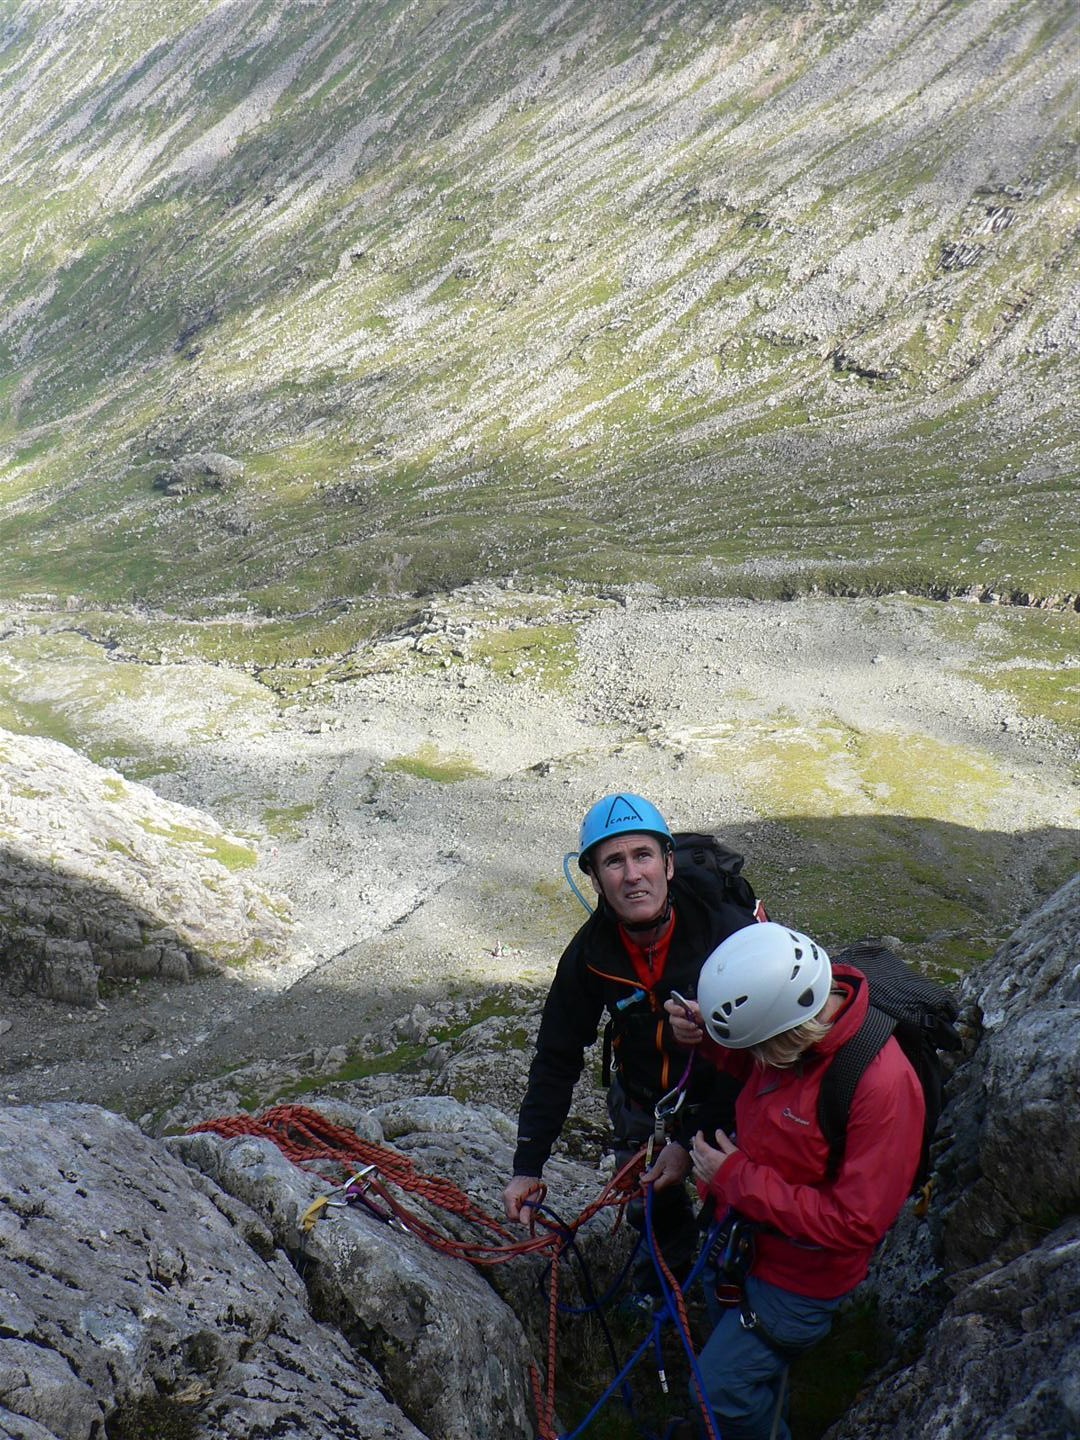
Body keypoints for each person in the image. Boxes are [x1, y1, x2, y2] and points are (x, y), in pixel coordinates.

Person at [665, 922, 925, 1440]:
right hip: (742, 1246)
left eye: (762, 1047)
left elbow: (856, 1223)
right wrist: (713, 1032)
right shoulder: (799, 1022)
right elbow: (767, 1067)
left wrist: (735, 1178)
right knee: (745, 1380)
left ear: (791, 1032)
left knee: (717, 1393)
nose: (758, 1064)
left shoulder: (883, 1087)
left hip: (799, 1282)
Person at [502, 793, 759, 1292]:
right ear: (596, 880)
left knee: (735, 1219)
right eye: (613, 862)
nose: (632, 874)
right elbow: (556, 1058)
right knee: (654, 1214)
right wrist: (526, 1167)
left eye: (642, 856)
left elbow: (767, 1055)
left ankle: (725, 1304)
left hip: (728, 1098)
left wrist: (690, 1142)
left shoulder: (724, 929)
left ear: (667, 862)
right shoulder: (590, 954)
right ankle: (669, 1299)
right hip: (643, 1103)